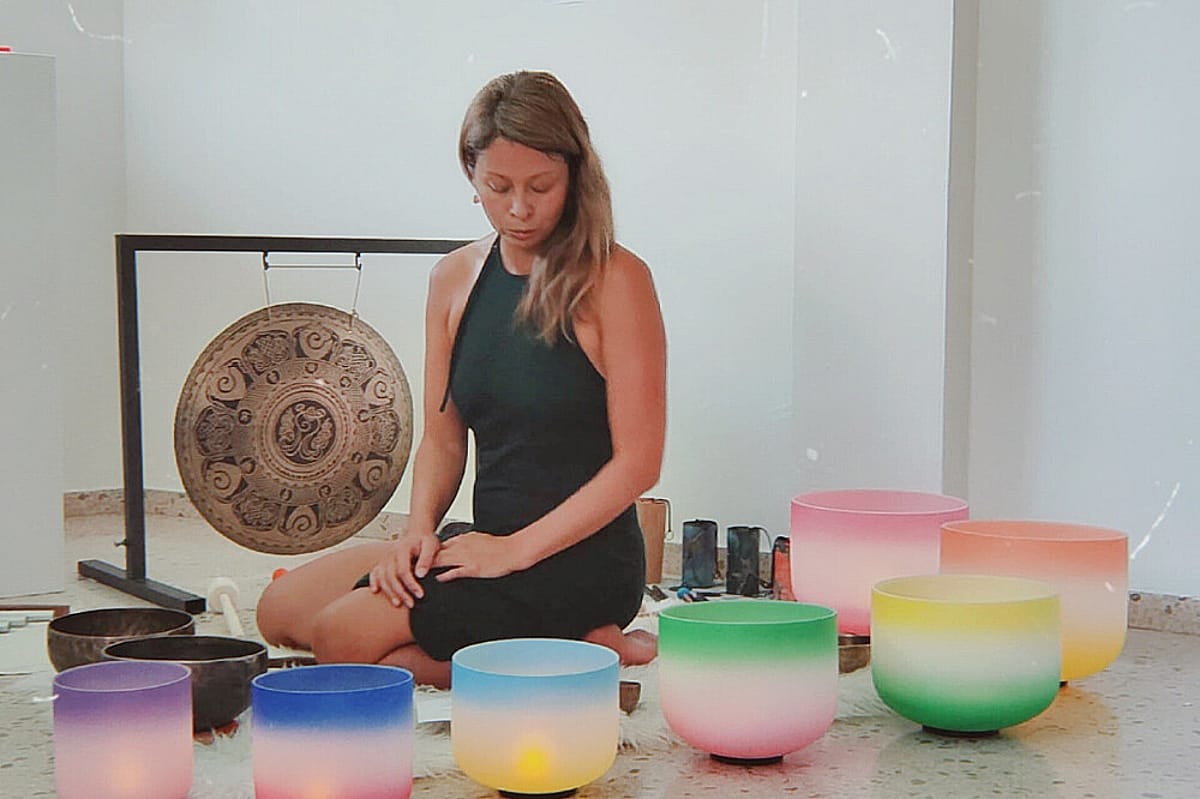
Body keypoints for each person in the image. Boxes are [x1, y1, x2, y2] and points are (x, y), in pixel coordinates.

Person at [256, 70, 667, 688]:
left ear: (575, 177)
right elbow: (444, 438)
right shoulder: (454, 278)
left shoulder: (616, 279)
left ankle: (580, 647)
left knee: (338, 638)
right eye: (499, 187)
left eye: (541, 186)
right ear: (471, 176)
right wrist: (416, 534)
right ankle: (573, 648)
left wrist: (513, 552)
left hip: (576, 559)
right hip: (482, 542)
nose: (520, 208)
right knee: (280, 613)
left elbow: (640, 463)